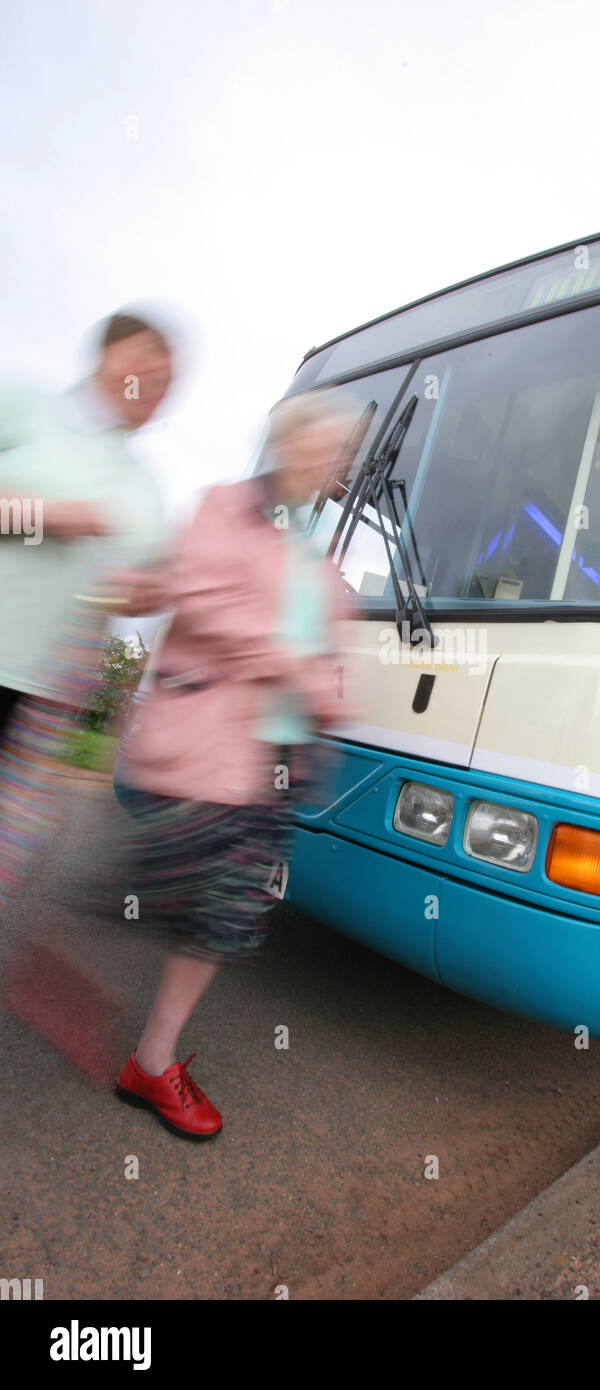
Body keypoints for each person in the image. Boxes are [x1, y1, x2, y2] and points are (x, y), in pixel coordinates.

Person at [111, 388, 359, 1140]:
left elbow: (331, 671)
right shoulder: (223, 507)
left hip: (270, 764)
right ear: (283, 445)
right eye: (317, 446)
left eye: (337, 453)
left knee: (225, 916)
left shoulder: (320, 559)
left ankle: (152, 1061)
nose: (328, 463)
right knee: (161, 893)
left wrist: (319, 691)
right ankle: (139, 1052)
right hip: (206, 746)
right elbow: (202, 598)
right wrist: (289, 662)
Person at [0, 311, 174, 908]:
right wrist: (48, 517)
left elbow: (144, 586)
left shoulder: (144, 483)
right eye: (144, 359)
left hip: (47, 695)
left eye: (166, 378)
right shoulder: (25, 406)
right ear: (108, 354)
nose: (153, 380)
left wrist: (148, 592)